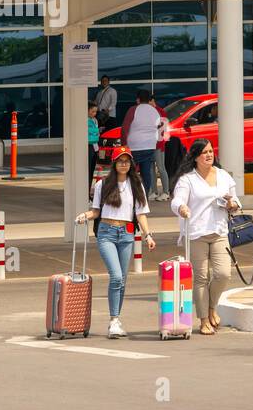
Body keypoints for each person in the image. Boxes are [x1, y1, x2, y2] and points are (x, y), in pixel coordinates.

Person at [75, 147, 156, 339]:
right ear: (114, 163)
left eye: (127, 161)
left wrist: (148, 235)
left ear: (131, 163)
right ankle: (113, 320)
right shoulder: (103, 184)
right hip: (106, 233)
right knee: (117, 276)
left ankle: (116, 320)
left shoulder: (137, 185)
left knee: (123, 279)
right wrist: (84, 216)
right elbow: (96, 211)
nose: (124, 164)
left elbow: (141, 214)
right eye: (120, 161)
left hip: (127, 233)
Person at [170, 137, 242, 335]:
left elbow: (236, 200)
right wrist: (182, 208)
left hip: (220, 231)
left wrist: (232, 204)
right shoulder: (188, 179)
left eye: (211, 151)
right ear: (195, 157)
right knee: (201, 278)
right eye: (205, 152)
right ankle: (203, 320)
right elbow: (176, 201)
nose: (209, 155)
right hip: (196, 233)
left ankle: (212, 308)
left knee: (223, 274)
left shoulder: (224, 176)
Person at [122, 89, 163, 195]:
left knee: (130, 172)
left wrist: (124, 144)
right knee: (146, 172)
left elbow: (125, 127)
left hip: (134, 147)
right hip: (149, 146)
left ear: (138, 99)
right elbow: (160, 128)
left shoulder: (133, 109)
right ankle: (145, 197)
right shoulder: (155, 111)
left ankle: (131, 195)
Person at [153, 106, 172, 201]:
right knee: (151, 168)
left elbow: (163, 130)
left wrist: (160, 143)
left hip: (159, 144)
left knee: (161, 168)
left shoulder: (160, 111)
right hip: (151, 144)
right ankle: (153, 192)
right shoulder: (151, 110)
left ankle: (166, 192)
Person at [86, 103, 100, 195]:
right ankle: (86, 193)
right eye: (92, 111)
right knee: (88, 170)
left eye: (96, 111)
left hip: (95, 146)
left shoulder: (94, 120)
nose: (94, 113)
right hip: (88, 146)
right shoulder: (85, 120)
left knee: (91, 170)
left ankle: (88, 192)